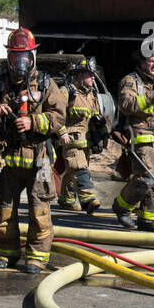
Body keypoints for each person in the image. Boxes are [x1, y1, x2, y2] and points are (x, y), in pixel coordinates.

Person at [0, 28, 66, 274]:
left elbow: (60, 116)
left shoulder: (45, 83)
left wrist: (34, 122)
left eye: (24, 57)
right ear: (9, 57)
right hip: (8, 158)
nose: (19, 63)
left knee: (39, 209)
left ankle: (37, 257)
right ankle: (7, 252)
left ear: (32, 56)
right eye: (15, 57)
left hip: (38, 158)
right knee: (5, 209)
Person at [114, 41, 154, 234]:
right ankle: (121, 208)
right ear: (142, 60)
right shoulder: (131, 81)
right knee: (145, 178)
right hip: (140, 135)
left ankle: (147, 220)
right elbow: (125, 105)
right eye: (150, 61)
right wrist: (149, 96)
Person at [56, 57, 104, 214]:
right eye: (89, 74)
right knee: (79, 169)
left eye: (93, 74)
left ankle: (66, 200)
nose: (93, 78)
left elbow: (96, 117)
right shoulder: (67, 91)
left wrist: (102, 133)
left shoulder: (91, 95)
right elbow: (55, 114)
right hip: (70, 140)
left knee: (72, 172)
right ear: (79, 75)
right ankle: (88, 200)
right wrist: (61, 132)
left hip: (85, 142)